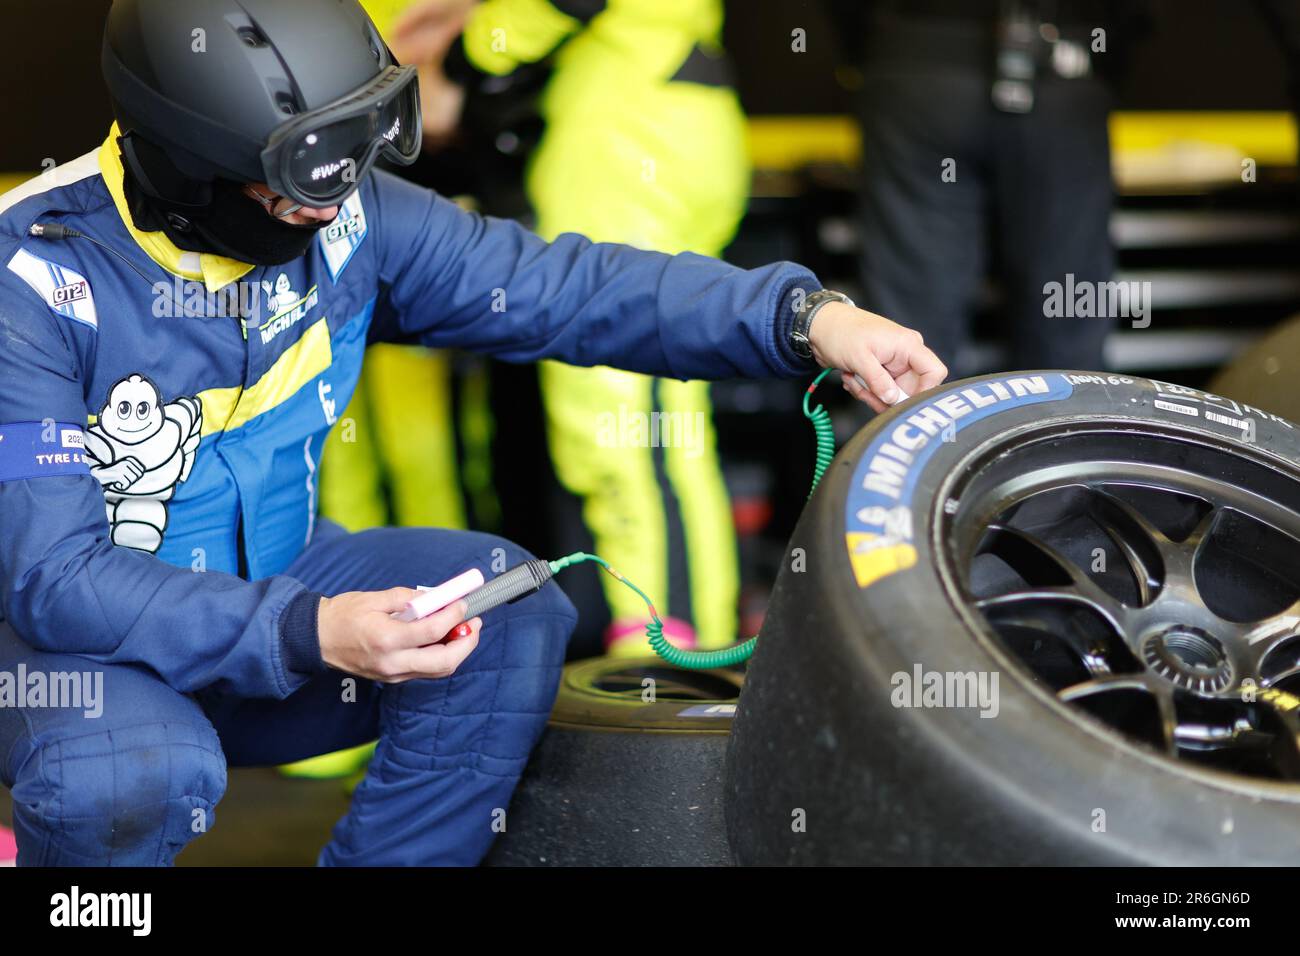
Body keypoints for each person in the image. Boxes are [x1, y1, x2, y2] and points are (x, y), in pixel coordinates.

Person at [0, 0, 944, 866]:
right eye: (290, 189)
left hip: (274, 607)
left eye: (345, 171)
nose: (328, 210)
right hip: (76, 655)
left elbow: (566, 289)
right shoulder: (28, 278)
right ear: (181, 163)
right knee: (126, 778)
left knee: (504, 613)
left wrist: (802, 320)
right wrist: (310, 630)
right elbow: (57, 583)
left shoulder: (351, 216)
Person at [394, 0, 754, 656]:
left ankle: (667, 659)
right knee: (656, 415)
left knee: (623, 423)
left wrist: (464, 55)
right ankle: (679, 645)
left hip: (625, 139)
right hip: (671, 113)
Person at [828, 0, 1147, 378]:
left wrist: (886, 46)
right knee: (1067, 344)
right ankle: (1070, 434)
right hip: (1064, 65)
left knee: (904, 353)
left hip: (919, 63)